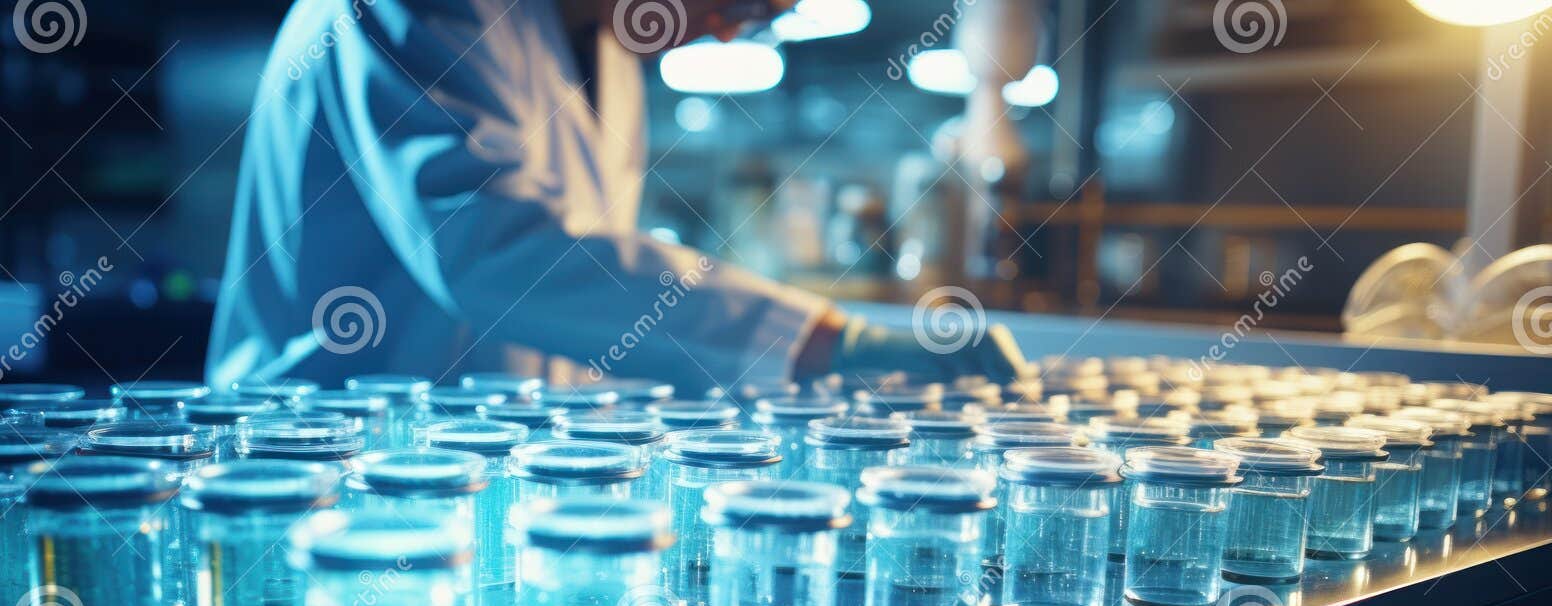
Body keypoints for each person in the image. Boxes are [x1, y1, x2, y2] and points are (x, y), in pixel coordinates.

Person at [207, 0, 1026, 392]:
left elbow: (585, 295)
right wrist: (818, 340)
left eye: (763, 17)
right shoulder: (412, 7)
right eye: (741, 2)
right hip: (323, 475)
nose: (733, 30)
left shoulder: (610, 56)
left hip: (482, 477)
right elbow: (503, 254)